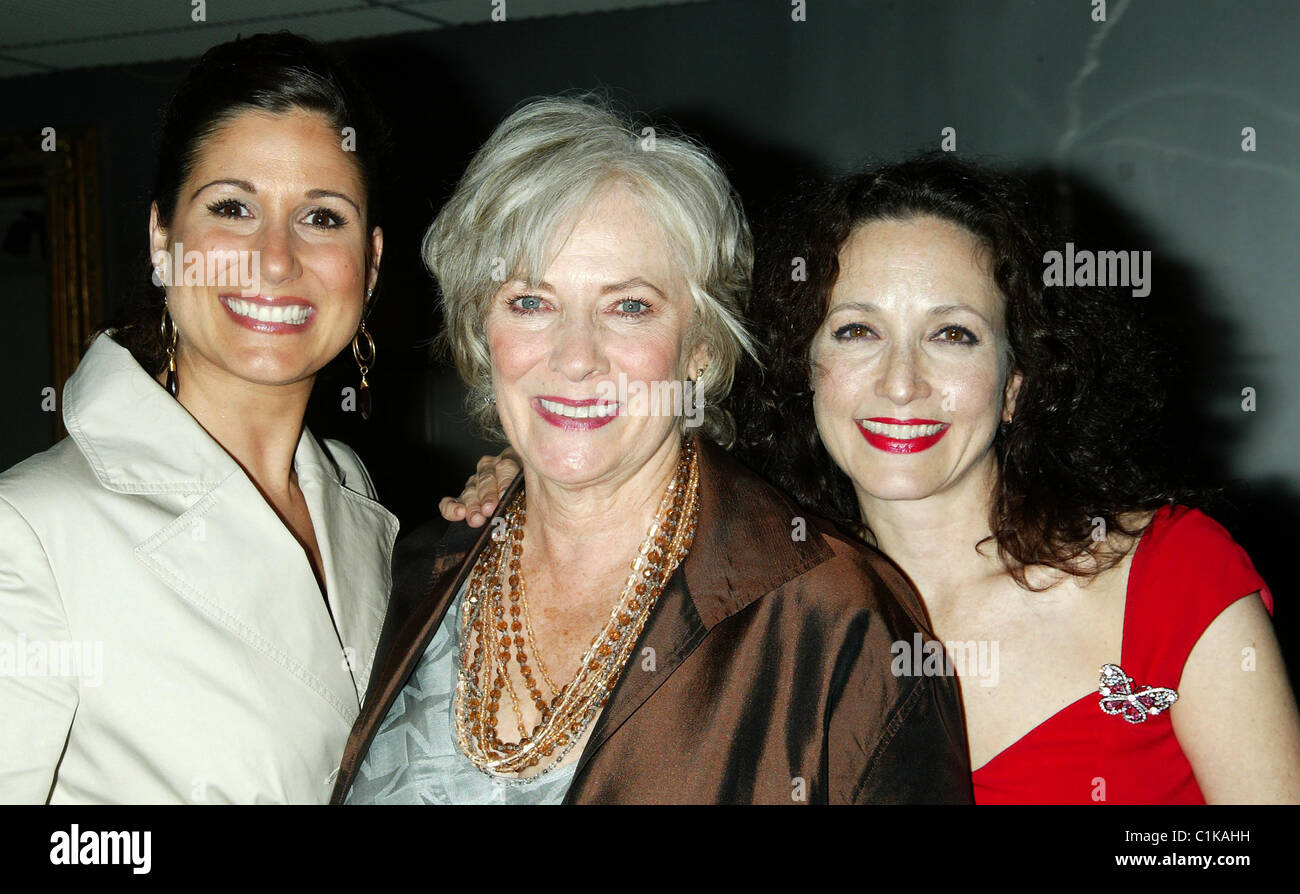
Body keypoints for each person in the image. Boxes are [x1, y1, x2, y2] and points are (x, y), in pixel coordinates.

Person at [449, 153, 1300, 804]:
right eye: (857, 331)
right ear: (805, 366)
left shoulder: (1173, 578)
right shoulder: (769, 609)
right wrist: (530, 476)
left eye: (953, 335)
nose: (901, 382)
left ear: (1016, 383)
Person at [333, 97, 972, 805]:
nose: (575, 357)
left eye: (628, 306)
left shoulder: (833, 621)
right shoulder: (424, 567)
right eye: (530, 302)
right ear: (482, 333)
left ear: (700, 346)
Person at [0, 33, 398, 804]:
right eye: (232, 208)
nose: (275, 259)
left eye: (322, 217)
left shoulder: (356, 496)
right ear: (162, 240)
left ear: (371, 265)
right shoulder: (30, 534)